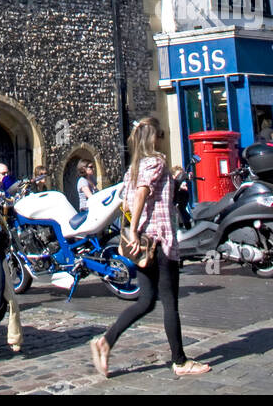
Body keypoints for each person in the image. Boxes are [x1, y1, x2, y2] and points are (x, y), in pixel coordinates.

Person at [90, 116, 210, 380]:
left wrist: (134, 228)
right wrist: (133, 230)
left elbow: (129, 200)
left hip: (144, 243)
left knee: (145, 301)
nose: (164, 140)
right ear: (154, 137)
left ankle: (106, 341)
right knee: (170, 303)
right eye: (163, 135)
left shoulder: (133, 168)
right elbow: (143, 193)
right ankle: (179, 361)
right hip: (159, 241)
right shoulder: (156, 162)